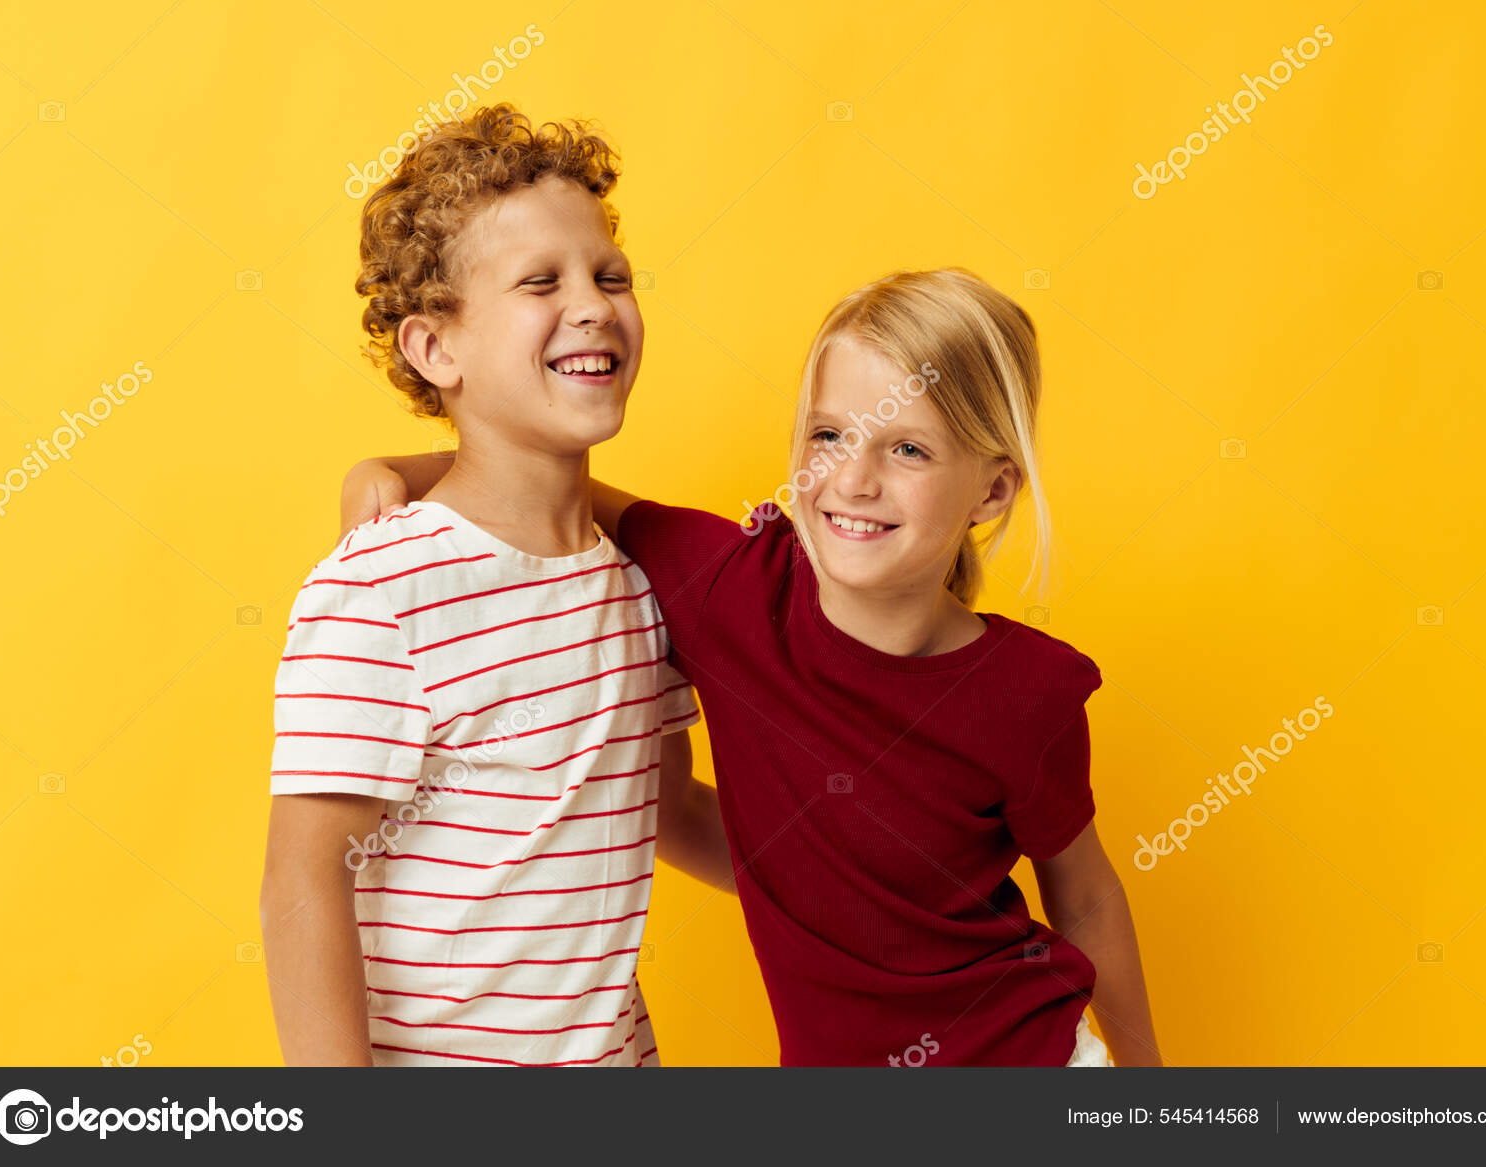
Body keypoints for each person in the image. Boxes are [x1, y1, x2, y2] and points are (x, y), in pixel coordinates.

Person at [344, 267, 1159, 1067]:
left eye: (909, 448)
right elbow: (545, 487)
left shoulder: (1028, 692)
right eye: (830, 434)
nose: (853, 479)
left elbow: (1084, 895)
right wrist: (393, 474)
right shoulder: (732, 591)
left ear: (991, 492)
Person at [259, 103, 729, 1068]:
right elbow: (302, 884)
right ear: (437, 350)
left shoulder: (643, 585)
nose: (594, 303)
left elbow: (671, 810)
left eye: (611, 276)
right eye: (539, 282)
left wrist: (870, 871)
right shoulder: (382, 587)